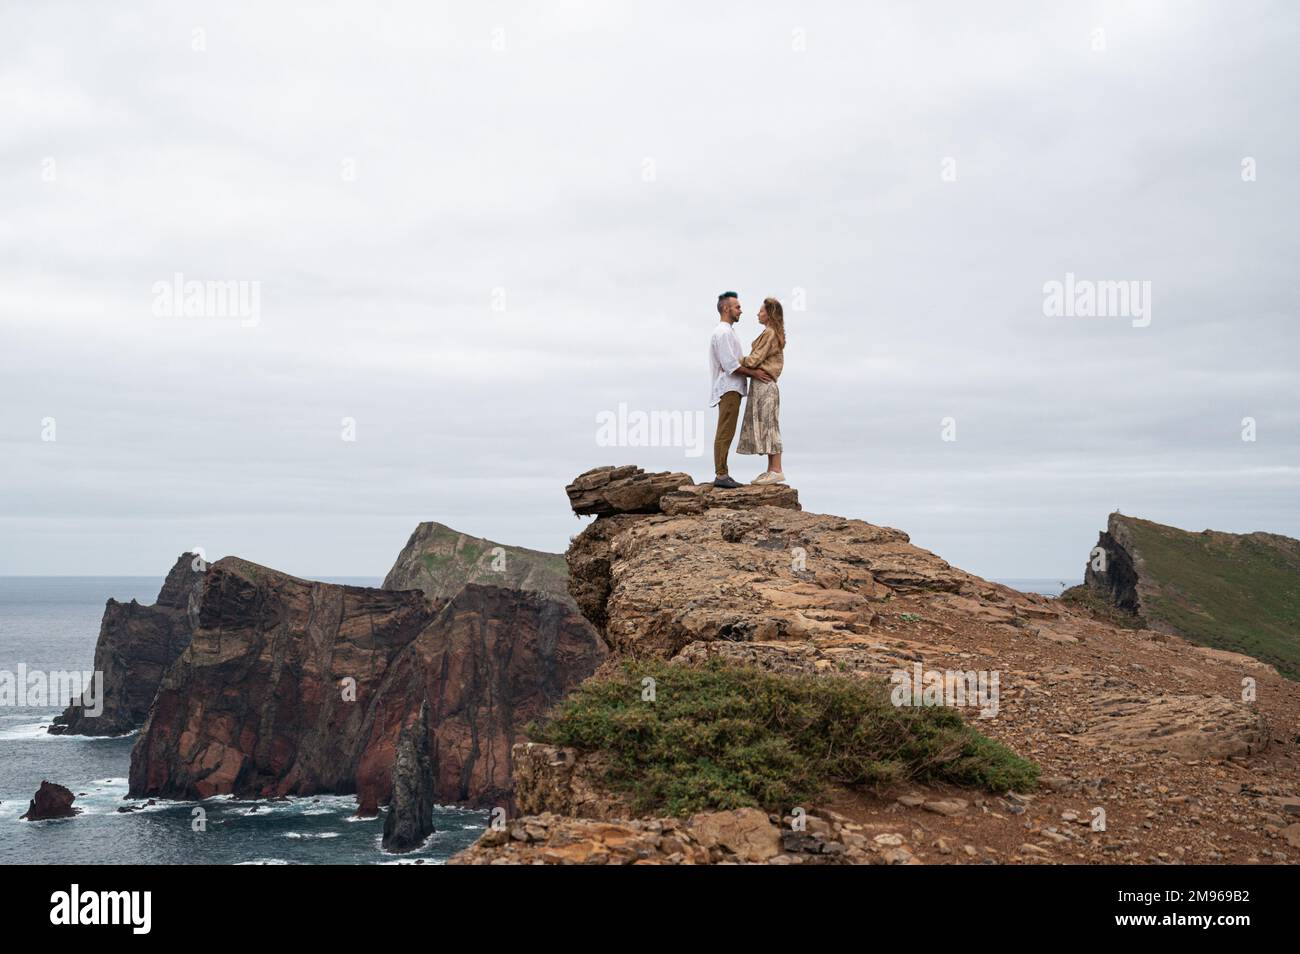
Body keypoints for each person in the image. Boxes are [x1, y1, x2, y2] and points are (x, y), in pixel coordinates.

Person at [709, 291, 772, 488]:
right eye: (737, 307)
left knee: (727, 430)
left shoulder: (727, 332)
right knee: (725, 431)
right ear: (726, 308)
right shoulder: (724, 333)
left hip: (731, 388)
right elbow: (731, 365)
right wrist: (755, 374)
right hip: (728, 388)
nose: (741, 311)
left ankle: (722, 473)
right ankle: (721, 475)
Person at [736, 297, 786, 483]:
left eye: (762, 311)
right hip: (761, 385)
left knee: (769, 426)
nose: (758, 314)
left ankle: (776, 469)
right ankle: (771, 469)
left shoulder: (770, 333)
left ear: (770, 314)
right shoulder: (771, 333)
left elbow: (754, 360)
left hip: (765, 386)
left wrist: (735, 359)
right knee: (766, 425)